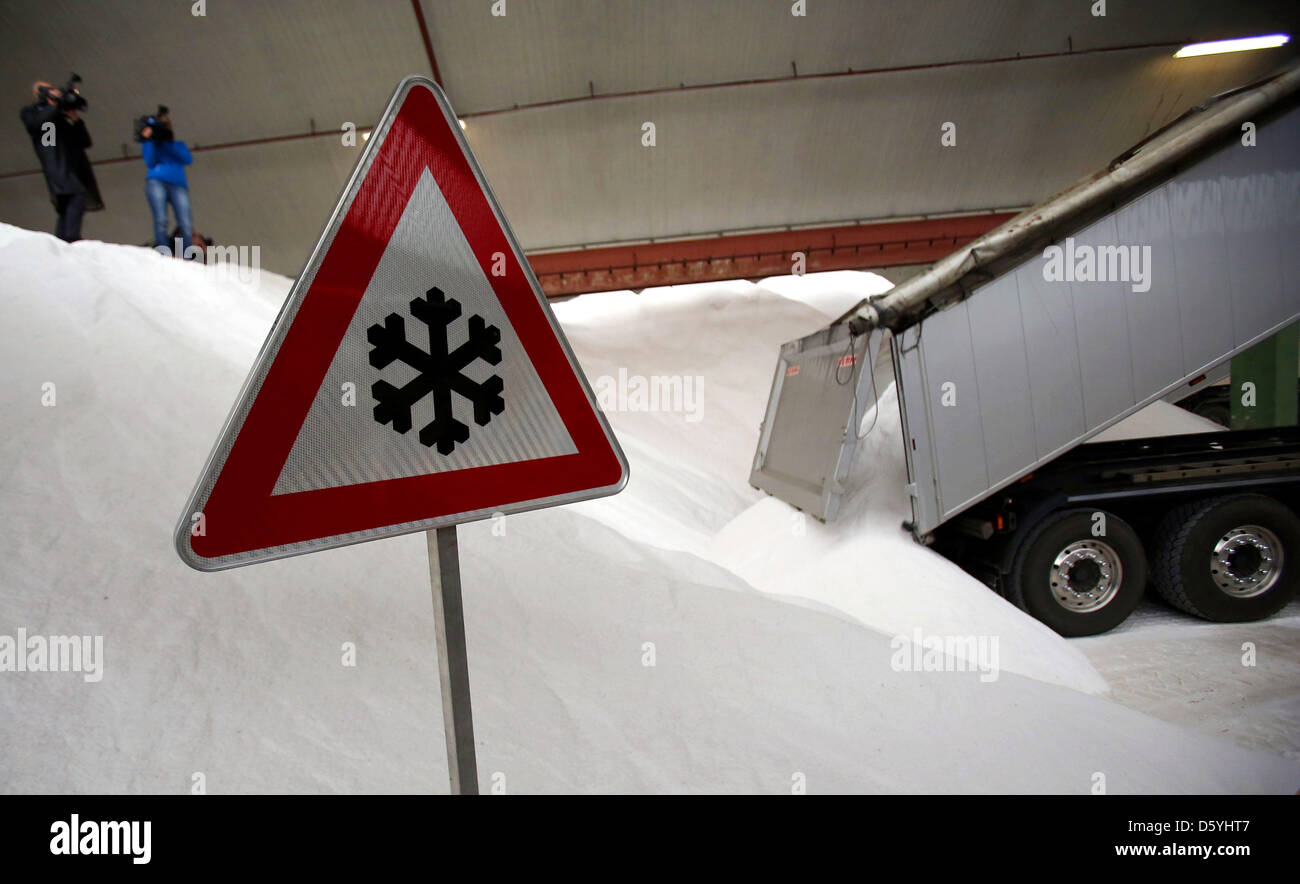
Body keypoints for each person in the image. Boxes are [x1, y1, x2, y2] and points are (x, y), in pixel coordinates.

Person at [19, 79, 104, 242]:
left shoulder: (58, 117)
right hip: (56, 166)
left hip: (72, 166)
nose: (53, 91)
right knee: (76, 195)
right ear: (40, 94)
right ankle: (71, 237)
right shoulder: (32, 112)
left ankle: (61, 240)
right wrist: (55, 106)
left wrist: (76, 120)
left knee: (66, 205)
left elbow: (85, 142)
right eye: (49, 89)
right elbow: (44, 136)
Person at [138, 108, 194, 257]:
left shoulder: (178, 145)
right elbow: (150, 161)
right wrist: (150, 140)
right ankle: (164, 253)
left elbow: (187, 159)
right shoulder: (151, 144)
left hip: (178, 184)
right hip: (156, 181)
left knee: (185, 222)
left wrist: (167, 142)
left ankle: (186, 255)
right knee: (161, 219)